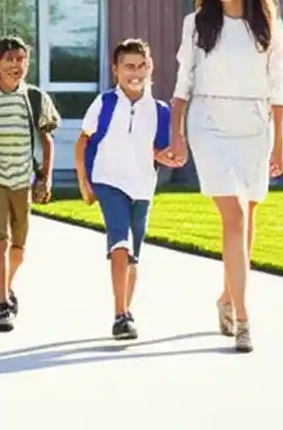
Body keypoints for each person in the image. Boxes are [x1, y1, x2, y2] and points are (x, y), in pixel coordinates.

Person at [167, 0, 283, 354]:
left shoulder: (268, 26)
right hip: (209, 121)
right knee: (233, 215)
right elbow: (183, 82)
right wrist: (177, 133)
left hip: (254, 125)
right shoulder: (197, 23)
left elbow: (277, 89)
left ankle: (226, 298)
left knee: (248, 217)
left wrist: (280, 144)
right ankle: (243, 318)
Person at [74, 39, 181, 340]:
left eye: (141, 66)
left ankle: (126, 311)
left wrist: (166, 157)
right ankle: (120, 314)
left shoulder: (160, 111)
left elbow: (158, 151)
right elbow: (83, 141)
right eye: (128, 67)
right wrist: (84, 181)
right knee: (119, 241)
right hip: (109, 181)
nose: (135, 73)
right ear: (116, 70)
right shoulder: (105, 103)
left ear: (150, 68)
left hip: (143, 187)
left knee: (133, 251)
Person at [0, 36, 59, 331]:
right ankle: (1, 304)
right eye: (10, 59)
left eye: (21, 59)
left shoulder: (35, 98)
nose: (16, 65)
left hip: (21, 178)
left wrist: (45, 176)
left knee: (19, 248)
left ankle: (8, 284)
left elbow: (47, 138)